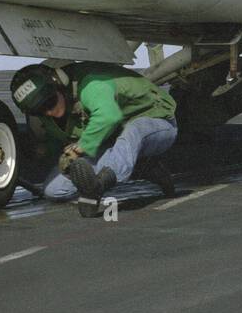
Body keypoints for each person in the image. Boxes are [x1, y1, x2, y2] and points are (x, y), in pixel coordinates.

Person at [10, 61, 177, 217]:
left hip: (157, 123)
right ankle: (145, 167)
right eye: (39, 110)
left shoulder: (91, 85)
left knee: (133, 130)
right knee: (54, 190)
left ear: (59, 83)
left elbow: (108, 116)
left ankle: (97, 187)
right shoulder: (50, 114)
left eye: (49, 102)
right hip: (112, 140)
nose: (48, 112)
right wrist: (54, 157)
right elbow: (57, 141)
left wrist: (81, 147)